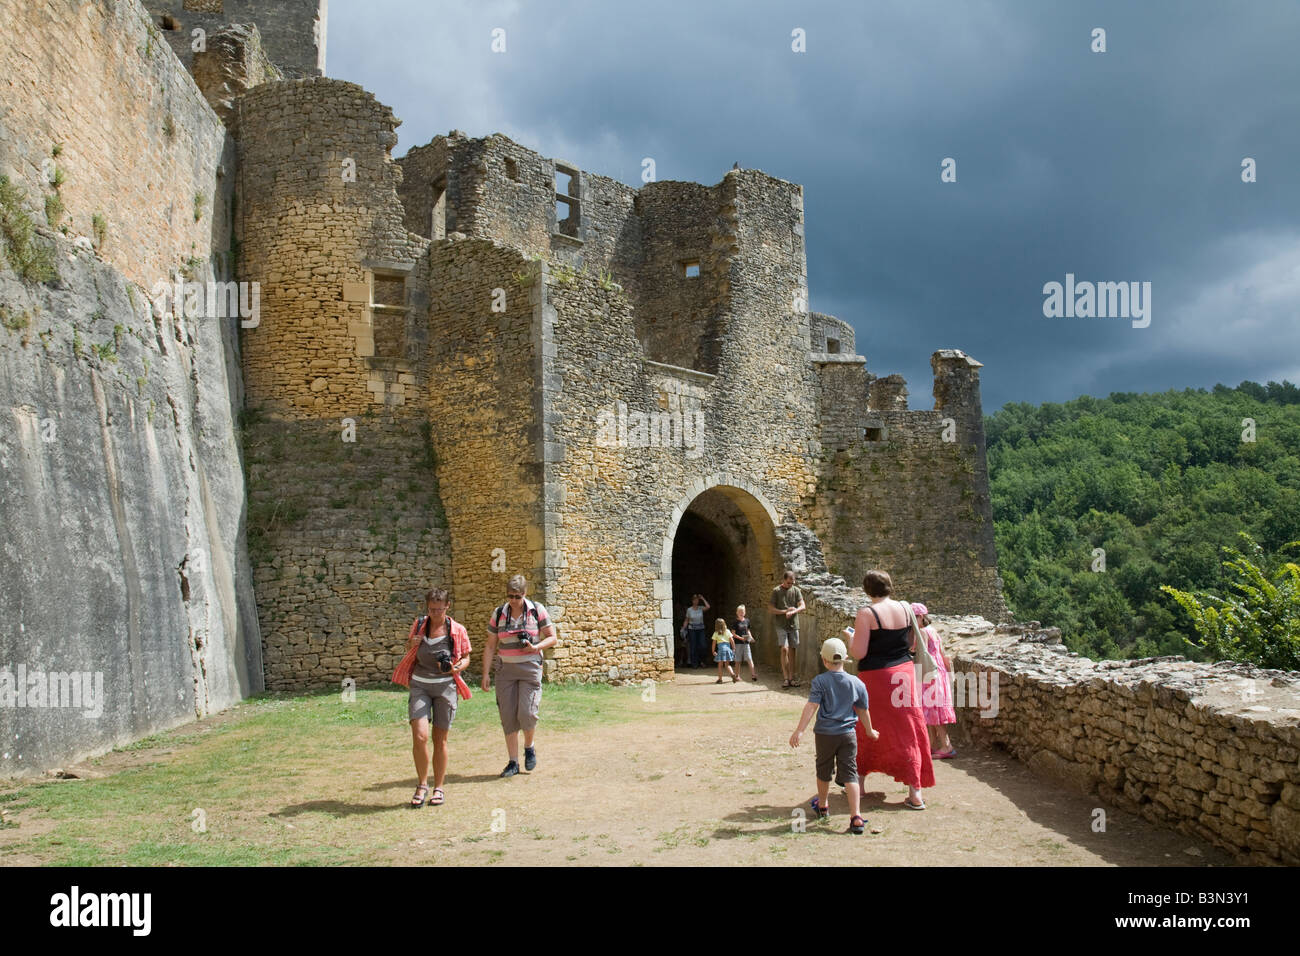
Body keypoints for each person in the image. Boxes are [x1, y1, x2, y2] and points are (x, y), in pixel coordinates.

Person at [847, 570, 935, 810]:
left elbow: (859, 653)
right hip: (904, 673)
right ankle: (915, 793)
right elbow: (912, 644)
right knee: (909, 728)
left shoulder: (866, 613)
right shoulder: (906, 609)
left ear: (867, 590)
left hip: (875, 677)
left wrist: (849, 638)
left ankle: (860, 784)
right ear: (889, 586)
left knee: (866, 726)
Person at [789, 638, 878, 834]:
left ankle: (823, 805)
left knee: (824, 769)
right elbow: (863, 710)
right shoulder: (857, 683)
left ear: (824, 660)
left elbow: (812, 706)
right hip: (848, 734)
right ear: (845, 658)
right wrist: (870, 730)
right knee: (850, 773)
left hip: (825, 734)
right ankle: (856, 816)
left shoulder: (820, 681)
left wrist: (800, 730)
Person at [482, 574, 557, 777]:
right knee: (508, 717)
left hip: (530, 668)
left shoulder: (537, 610)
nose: (513, 600)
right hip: (505, 671)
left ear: (525, 593)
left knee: (527, 712)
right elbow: (490, 646)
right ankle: (513, 762)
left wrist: (535, 647)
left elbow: (552, 638)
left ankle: (529, 746)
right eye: (510, 596)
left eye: (517, 596)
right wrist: (485, 674)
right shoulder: (499, 613)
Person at [404, 588, 471, 807]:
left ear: (447, 607)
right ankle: (422, 784)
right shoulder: (420, 625)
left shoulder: (457, 630)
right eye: (432, 609)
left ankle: (438, 787)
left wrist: (455, 667)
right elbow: (408, 649)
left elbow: (466, 657)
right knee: (420, 735)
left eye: (439, 609)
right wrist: (412, 644)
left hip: (445, 688)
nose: (435, 613)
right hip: (420, 685)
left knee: (439, 739)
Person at [914, 603, 956, 758]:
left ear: (921, 617)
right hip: (940, 671)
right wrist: (949, 674)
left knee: (932, 709)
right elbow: (943, 653)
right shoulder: (934, 631)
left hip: (929, 673)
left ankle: (946, 745)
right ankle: (931, 744)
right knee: (932, 708)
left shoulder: (923, 632)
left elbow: (922, 654)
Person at [770, 571, 805, 687]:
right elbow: (770, 608)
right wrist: (784, 611)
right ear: (784, 580)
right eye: (789, 582)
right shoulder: (776, 591)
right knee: (784, 649)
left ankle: (791, 678)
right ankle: (785, 678)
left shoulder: (796, 590)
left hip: (794, 624)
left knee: (792, 651)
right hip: (781, 624)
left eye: (792, 582)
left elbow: (803, 606)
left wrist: (794, 610)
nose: (791, 585)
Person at [683, 593, 710, 668]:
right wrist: (683, 628)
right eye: (695, 600)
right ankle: (694, 663)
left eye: (697, 600)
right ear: (692, 601)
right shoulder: (689, 610)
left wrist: (703, 598)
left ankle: (702, 661)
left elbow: (708, 606)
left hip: (701, 629)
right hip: (692, 630)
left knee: (703, 645)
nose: (696, 601)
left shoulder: (701, 608)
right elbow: (687, 620)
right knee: (693, 646)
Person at [732, 604, 757, 682]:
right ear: (737, 612)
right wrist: (741, 638)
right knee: (738, 660)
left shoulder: (747, 621)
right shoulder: (735, 622)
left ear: (745, 612)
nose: (741, 613)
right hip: (738, 643)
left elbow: (748, 631)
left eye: (742, 611)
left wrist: (751, 637)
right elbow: (733, 634)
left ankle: (753, 675)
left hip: (746, 643)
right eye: (739, 611)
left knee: (749, 658)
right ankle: (737, 676)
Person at [711, 618, 739, 684]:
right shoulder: (728, 631)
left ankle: (720, 680)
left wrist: (713, 651)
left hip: (721, 650)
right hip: (728, 649)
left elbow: (713, 643)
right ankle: (732, 674)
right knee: (727, 665)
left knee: (720, 665)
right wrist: (734, 649)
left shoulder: (716, 633)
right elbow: (732, 641)